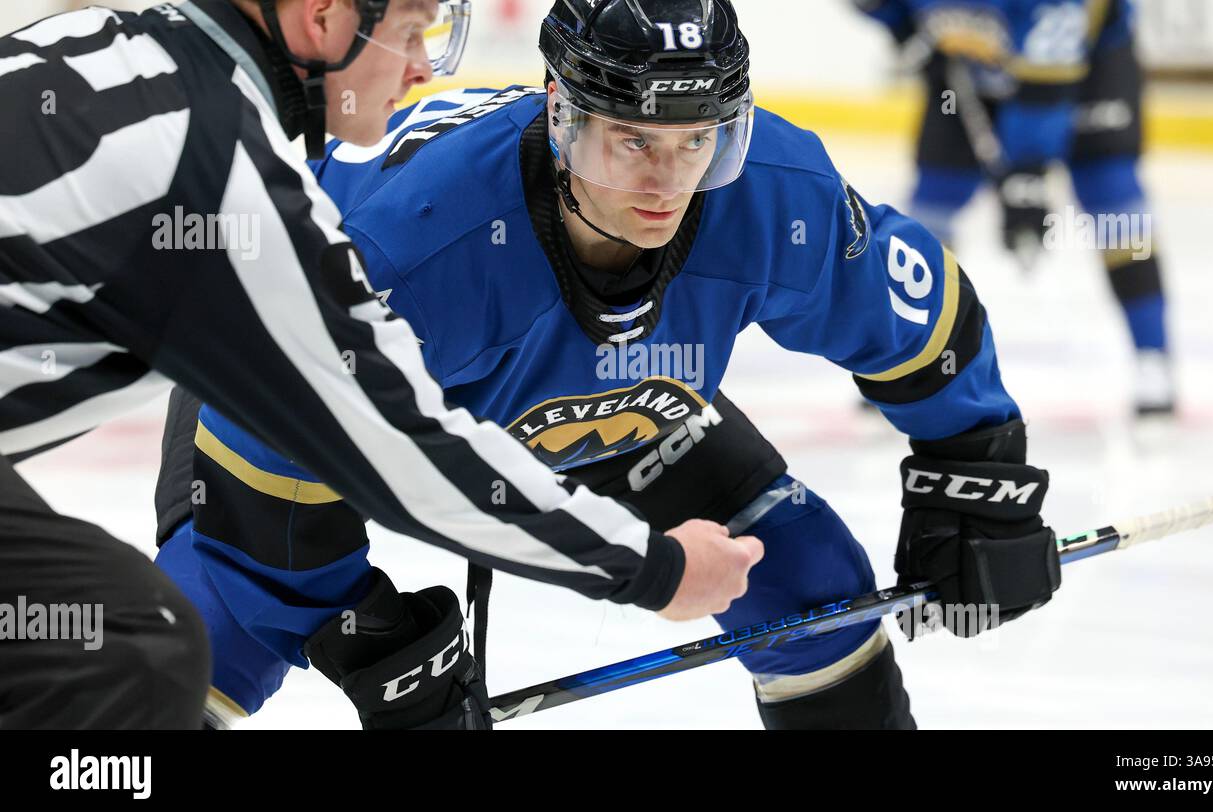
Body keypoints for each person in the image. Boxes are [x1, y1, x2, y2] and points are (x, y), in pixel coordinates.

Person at [155, 0, 1061, 731]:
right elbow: (266, 485)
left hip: (607, 406)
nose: (667, 184)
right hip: (287, 396)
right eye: (632, 141)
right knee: (203, 645)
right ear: (561, 118)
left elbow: (923, 316)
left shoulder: (773, 195)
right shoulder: (416, 248)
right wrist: (369, 638)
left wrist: (974, 467)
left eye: (698, 140)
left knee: (811, 583)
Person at [0, 0, 758, 730]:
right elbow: (394, 447)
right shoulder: (223, 176)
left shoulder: (112, 47)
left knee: (134, 645)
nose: (425, 66)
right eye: (409, 30)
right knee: (138, 658)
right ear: (323, 16)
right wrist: (652, 569)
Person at [854, 0, 1176, 416]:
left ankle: (1153, 359)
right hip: (971, 70)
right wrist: (904, 29)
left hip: (1090, 69)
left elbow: (1048, 77)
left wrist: (1026, 177)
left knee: (1114, 201)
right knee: (934, 199)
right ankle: (899, 356)